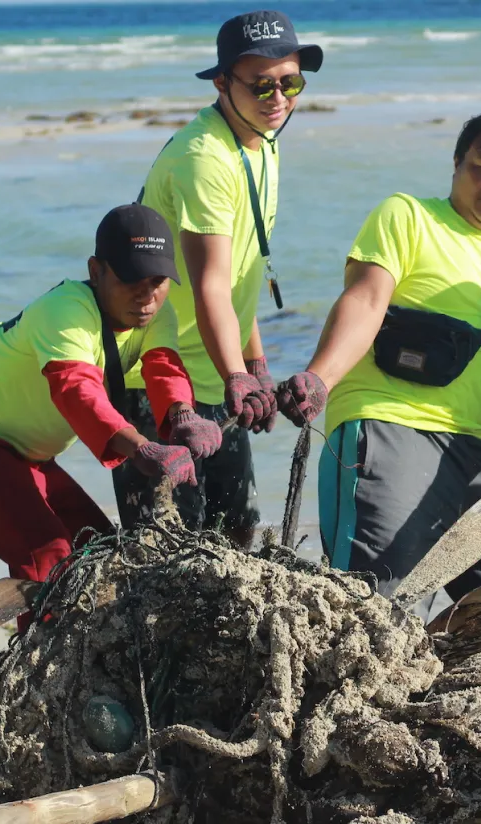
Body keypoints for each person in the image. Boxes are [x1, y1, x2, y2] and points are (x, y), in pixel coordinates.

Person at [274, 109, 481, 605]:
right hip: (388, 426)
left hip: (475, 449)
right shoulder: (409, 216)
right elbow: (366, 300)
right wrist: (318, 378)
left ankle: (448, 668)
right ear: (457, 164)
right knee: (373, 597)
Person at [0, 204, 219, 586]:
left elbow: (163, 368)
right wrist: (142, 448)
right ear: (96, 271)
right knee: (50, 557)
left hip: (27, 454)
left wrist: (183, 416)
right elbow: (77, 392)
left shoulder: (158, 313)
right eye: (132, 280)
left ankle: (73, 642)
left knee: (100, 549)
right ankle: (36, 646)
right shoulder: (66, 311)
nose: (147, 297)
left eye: (157, 281)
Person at [114, 10, 324, 548]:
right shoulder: (204, 158)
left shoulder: (261, 141)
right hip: (156, 381)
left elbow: (239, 276)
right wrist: (240, 379)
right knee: (166, 555)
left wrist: (255, 364)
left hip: (212, 370)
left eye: (290, 82)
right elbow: (209, 285)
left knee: (236, 538)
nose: (277, 97)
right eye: (261, 85)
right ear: (221, 82)